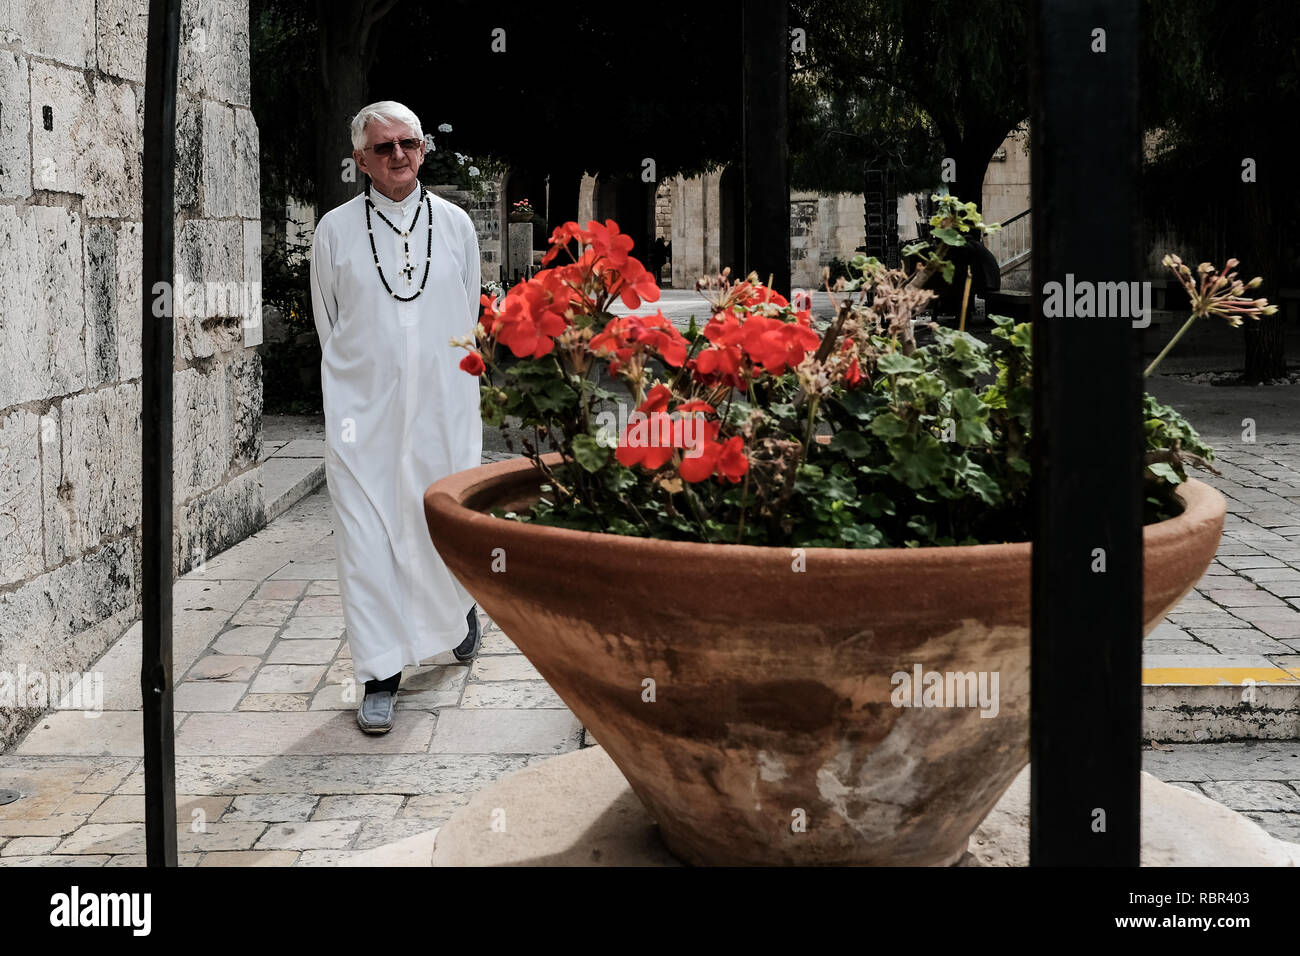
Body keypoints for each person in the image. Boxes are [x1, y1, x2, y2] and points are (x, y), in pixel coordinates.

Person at [308, 101, 483, 735]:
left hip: (441, 407)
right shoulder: (333, 230)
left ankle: (457, 609)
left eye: (408, 143)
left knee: (438, 516)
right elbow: (330, 322)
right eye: (383, 148)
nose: (398, 155)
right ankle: (380, 673)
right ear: (360, 160)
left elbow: (466, 317)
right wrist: (362, 387)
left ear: (423, 149)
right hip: (363, 415)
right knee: (366, 535)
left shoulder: (457, 224)